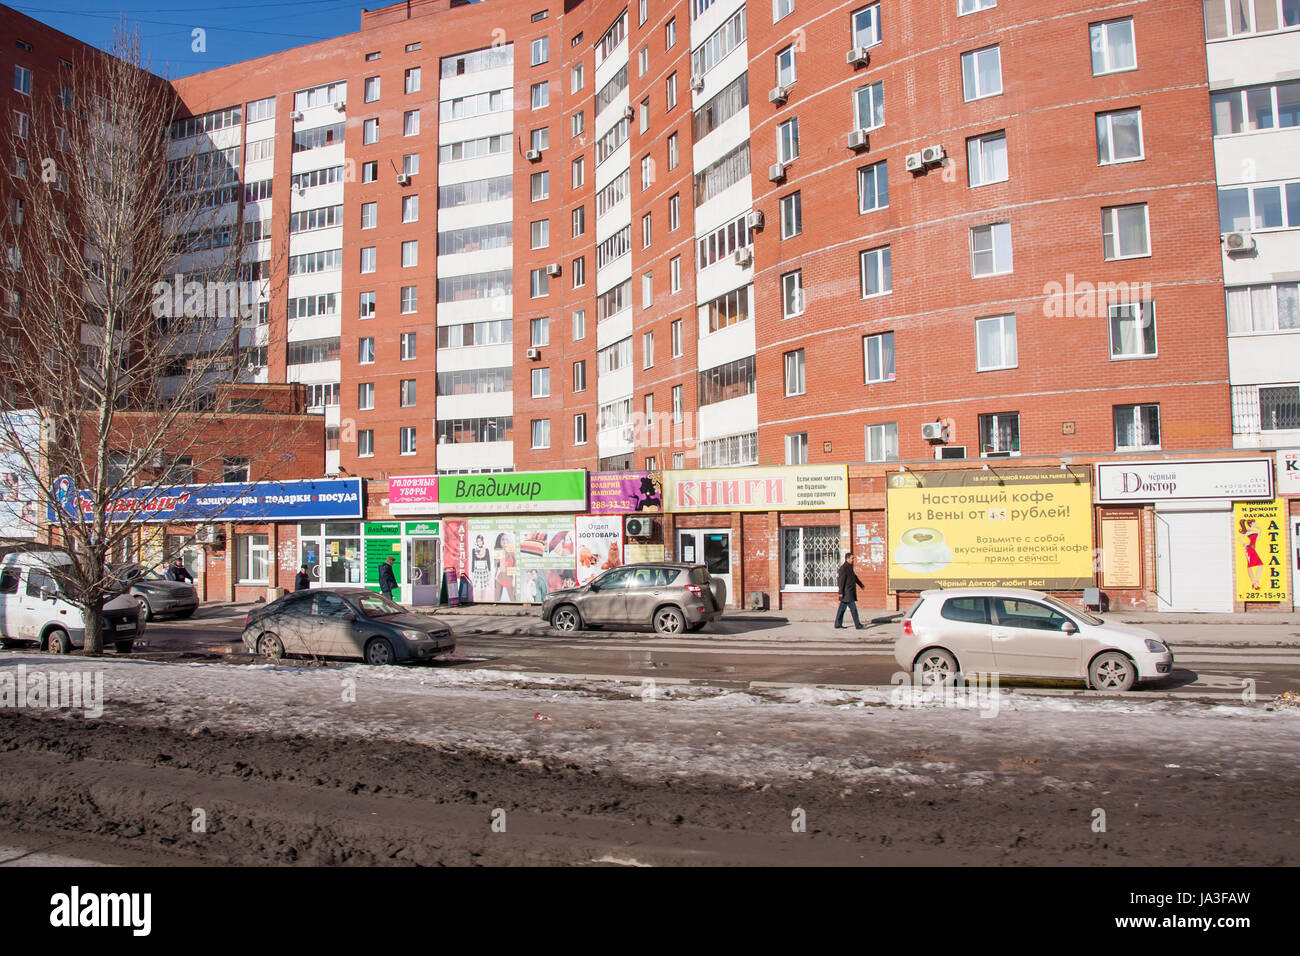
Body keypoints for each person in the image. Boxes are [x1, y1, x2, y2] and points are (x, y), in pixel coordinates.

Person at [834, 553, 866, 629]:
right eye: (852, 558)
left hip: (849, 592)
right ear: (847, 559)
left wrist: (861, 585)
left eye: (853, 558)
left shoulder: (849, 567)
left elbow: (855, 577)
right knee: (853, 609)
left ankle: (837, 623)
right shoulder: (843, 568)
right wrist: (840, 592)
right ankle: (857, 625)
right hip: (847, 592)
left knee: (842, 609)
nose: (853, 560)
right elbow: (841, 581)